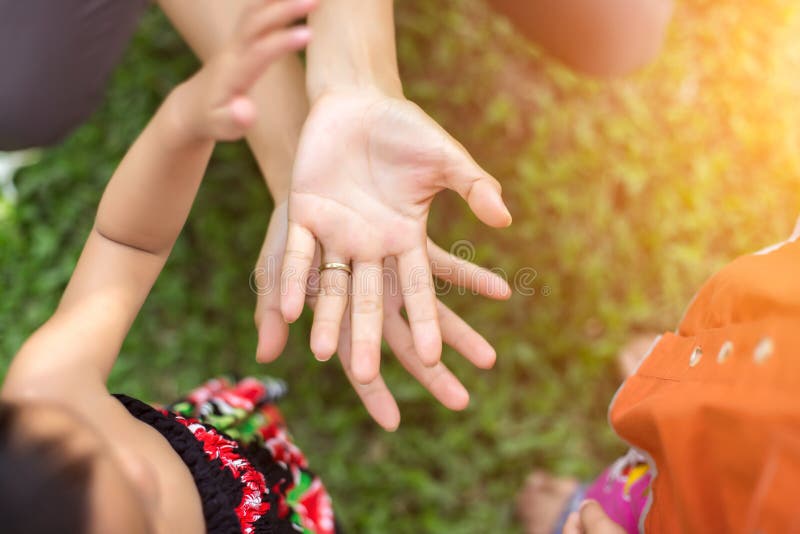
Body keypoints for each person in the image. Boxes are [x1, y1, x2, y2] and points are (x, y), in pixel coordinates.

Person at [0, 2, 337, 532]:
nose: (139, 465)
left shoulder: (47, 393)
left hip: (227, 459)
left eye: (99, 450)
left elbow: (125, 245)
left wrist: (184, 119)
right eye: (143, 507)